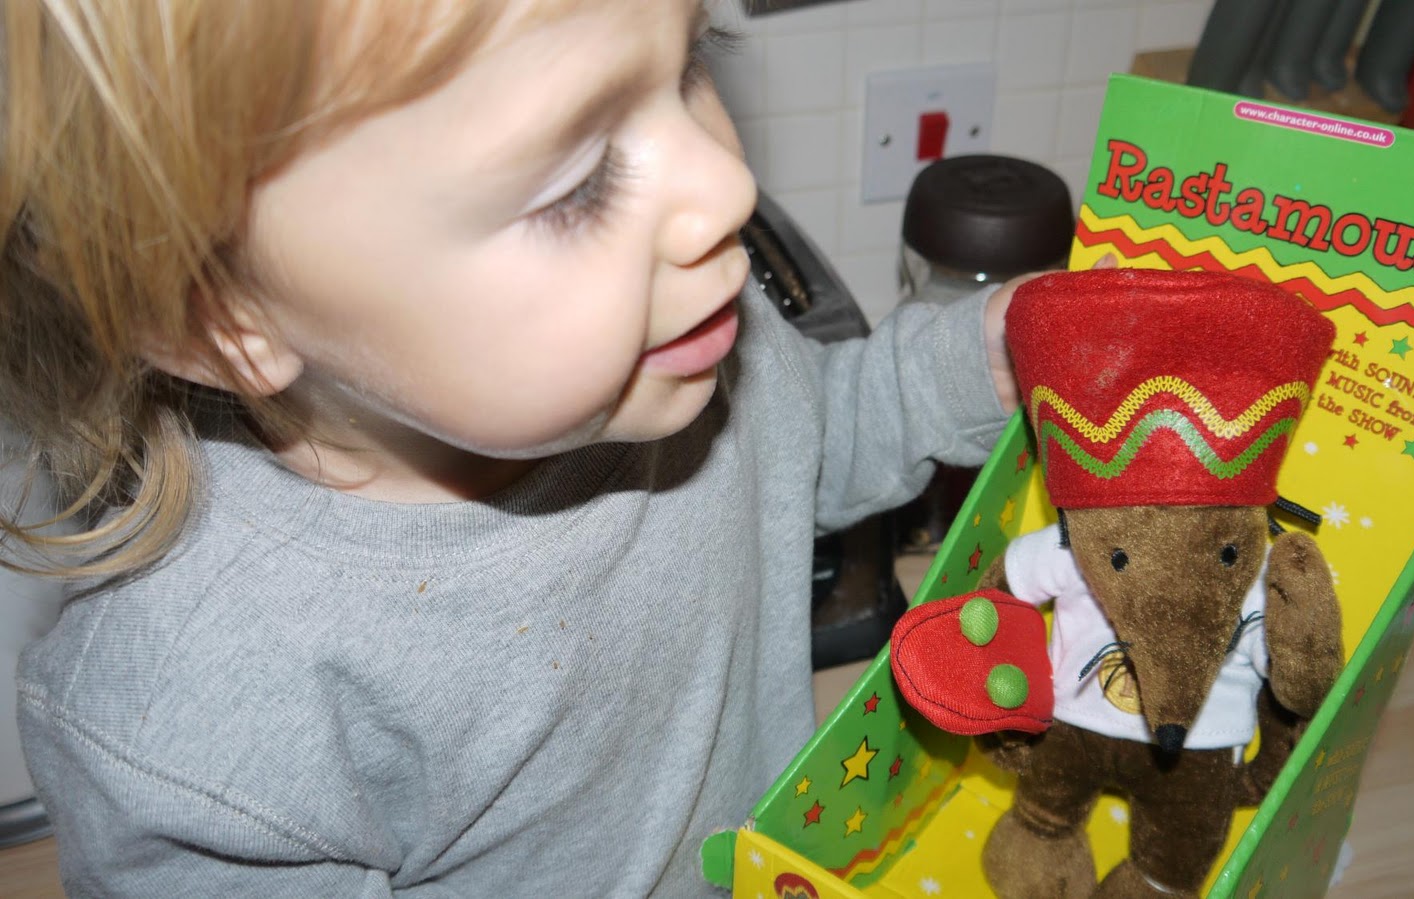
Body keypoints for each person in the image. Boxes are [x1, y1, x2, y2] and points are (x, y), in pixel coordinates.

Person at [1, 1, 1033, 894]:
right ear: (217, 318)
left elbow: (819, 430)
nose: (726, 187)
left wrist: (994, 356)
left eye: (687, 63)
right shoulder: (189, 727)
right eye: (576, 182)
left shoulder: (676, 349)